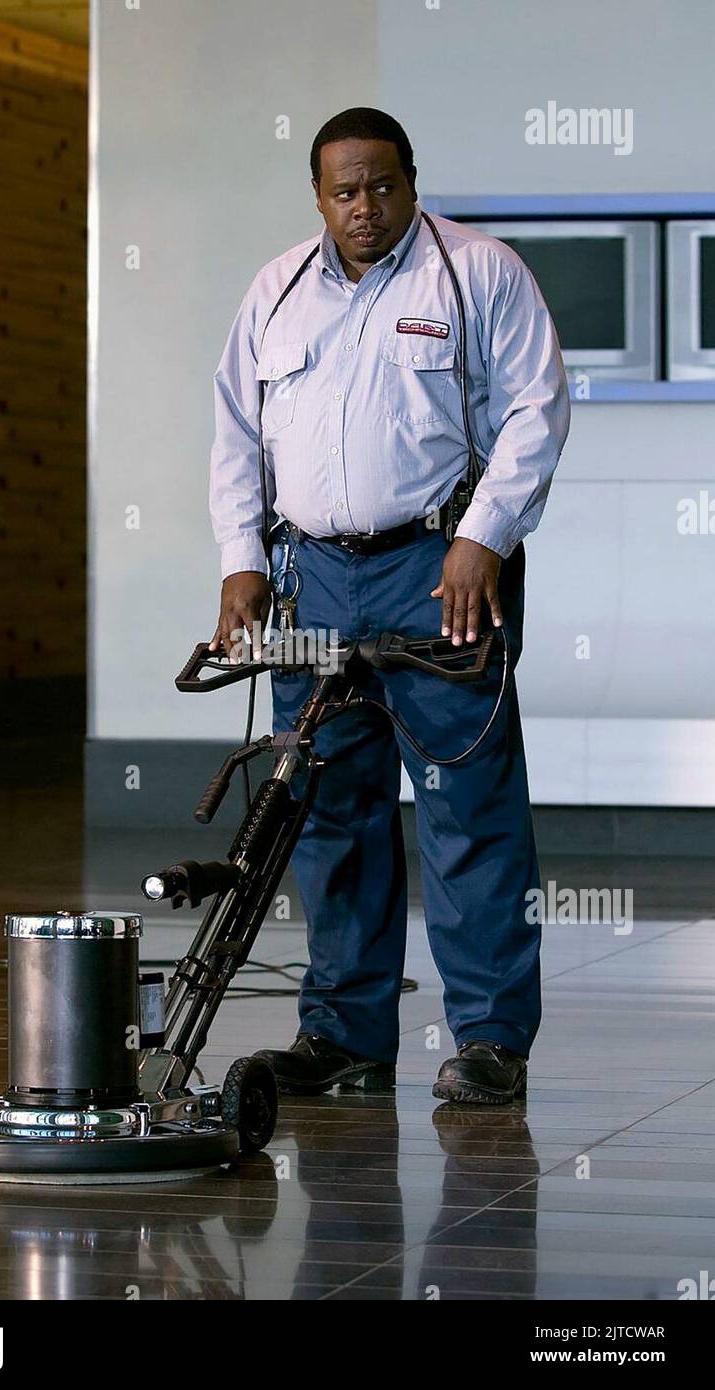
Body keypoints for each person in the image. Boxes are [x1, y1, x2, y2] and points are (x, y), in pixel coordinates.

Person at [208, 107, 570, 1104]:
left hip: (434, 568)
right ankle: (345, 1036)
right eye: (342, 190)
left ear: (410, 181)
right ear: (317, 195)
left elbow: (536, 408)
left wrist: (480, 536)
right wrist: (241, 561)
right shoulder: (275, 292)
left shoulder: (475, 272)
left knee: (465, 804)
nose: (362, 206)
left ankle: (490, 1038)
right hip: (311, 578)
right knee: (325, 805)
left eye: (379, 185)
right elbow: (236, 432)